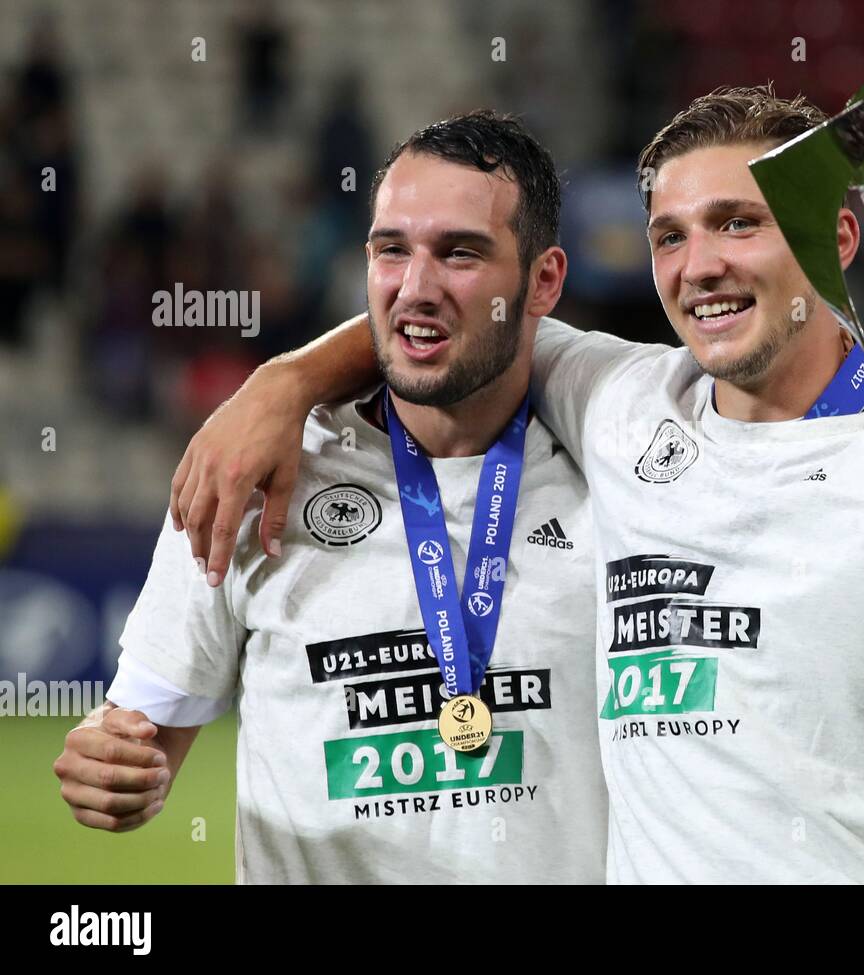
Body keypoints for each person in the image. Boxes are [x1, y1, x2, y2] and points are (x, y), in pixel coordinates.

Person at [165, 87, 864, 883]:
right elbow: (451, 317)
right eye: (670, 234)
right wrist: (281, 382)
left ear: (836, 239)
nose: (698, 264)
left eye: (739, 223)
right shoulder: (623, 400)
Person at [53, 112, 607, 883]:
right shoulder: (251, 476)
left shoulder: (618, 474)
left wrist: (289, 375)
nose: (416, 288)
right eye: (391, 250)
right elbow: (139, 734)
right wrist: (108, 763)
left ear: (544, 280)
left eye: (459, 253)